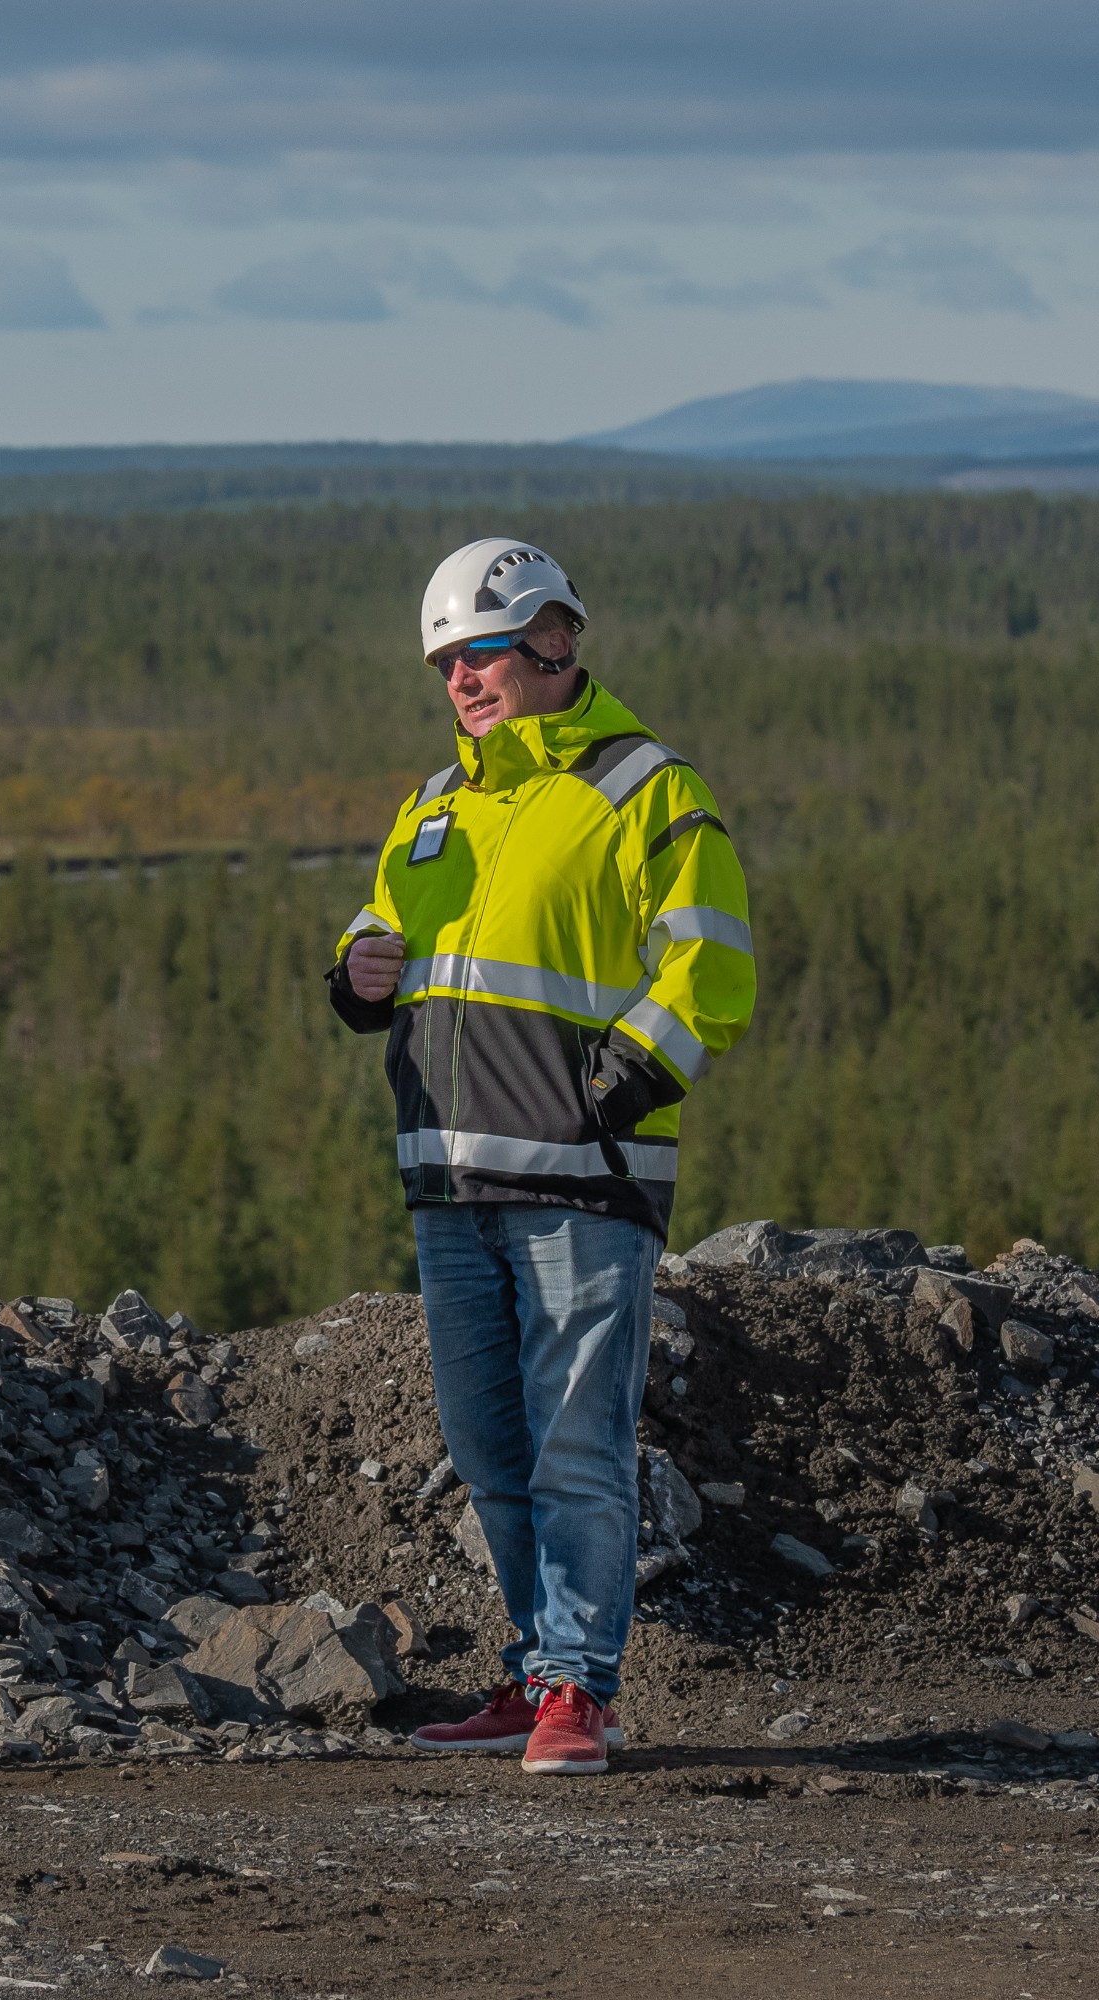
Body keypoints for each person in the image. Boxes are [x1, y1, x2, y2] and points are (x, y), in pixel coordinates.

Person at [330, 538, 755, 1775]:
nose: (464, 679)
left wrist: (616, 1085)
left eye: (486, 652)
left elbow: (711, 959)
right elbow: (387, 926)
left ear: (557, 641)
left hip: (585, 1177)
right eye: (446, 661)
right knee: (489, 1445)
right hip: (450, 1179)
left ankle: (583, 1688)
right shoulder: (433, 802)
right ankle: (534, 1673)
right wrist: (358, 966)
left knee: (577, 1438)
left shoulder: (645, 786)